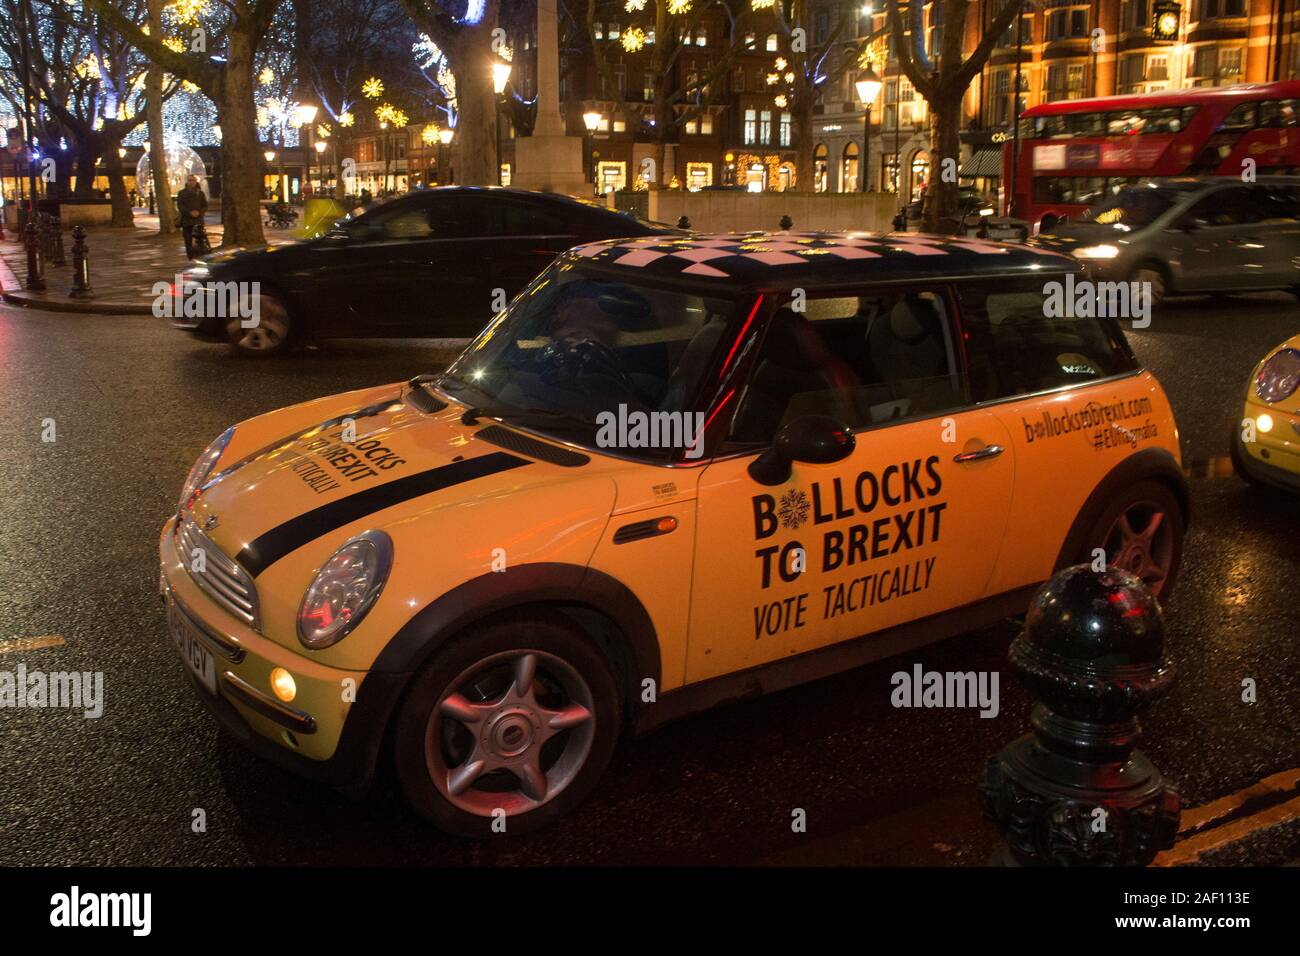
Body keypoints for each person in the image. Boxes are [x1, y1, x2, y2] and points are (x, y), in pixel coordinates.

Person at [177, 175, 208, 258]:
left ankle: (202, 255)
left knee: (202, 240)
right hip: (187, 221)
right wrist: (189, 213)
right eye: (190, 180)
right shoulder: (182, 193)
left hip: (198, 220)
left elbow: (205, 205)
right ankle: (190, 256)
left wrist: (199, 212)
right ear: (187, 182)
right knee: (188, 240)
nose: (191, 182)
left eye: (193, 180)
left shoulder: (200, 193)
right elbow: (180, 206)